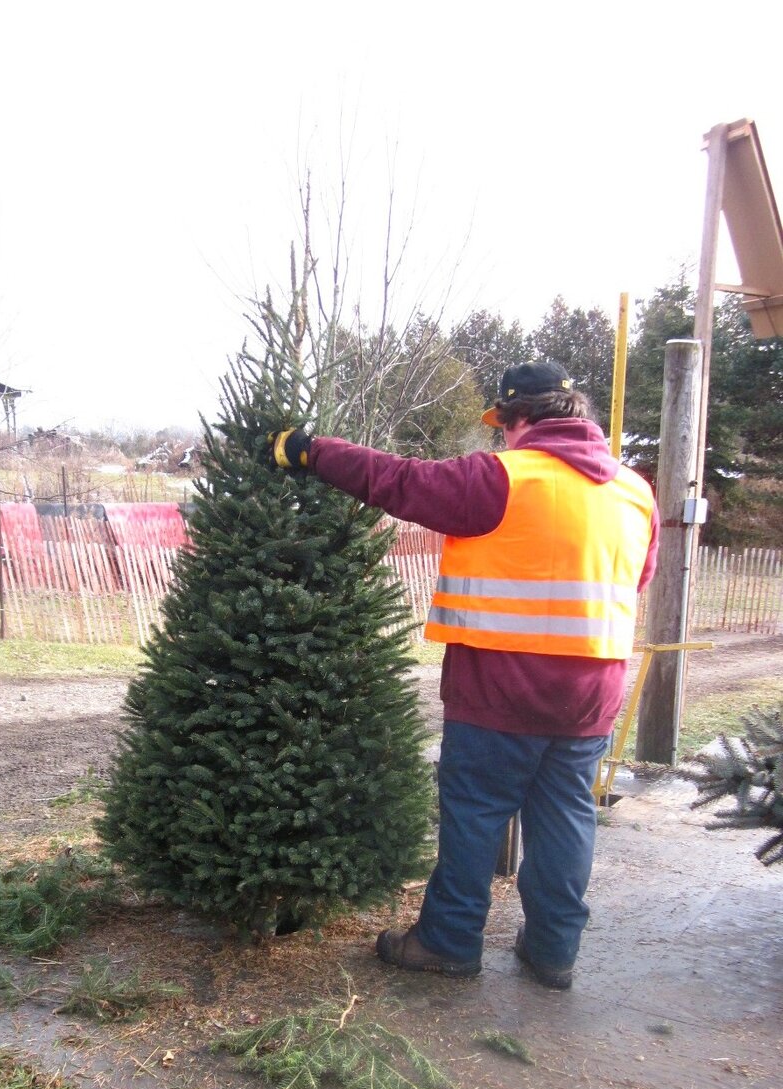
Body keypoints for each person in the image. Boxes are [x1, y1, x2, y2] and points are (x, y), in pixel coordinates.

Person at [270, 361, 659, 989]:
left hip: (500, 686)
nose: (502, 436)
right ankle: (554, 952)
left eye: (503, 424)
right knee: (565, 817)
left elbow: (396, 481)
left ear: (518, 419)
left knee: (475, 813)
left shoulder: (501, 477)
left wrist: (312, 452)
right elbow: (636, 578)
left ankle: (449, 942)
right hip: (592, 695)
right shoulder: (634, 491)